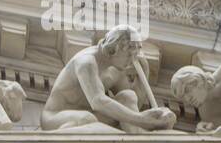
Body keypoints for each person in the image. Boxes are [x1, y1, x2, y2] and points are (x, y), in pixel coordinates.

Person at [41, 26, 176, 132]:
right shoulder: (86, 62)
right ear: (116, 48)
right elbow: (98, 101)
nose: (132, 61)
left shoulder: (115, 69)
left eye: (135, 56)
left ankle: (140, 142)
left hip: (93, 116)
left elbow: (130, 109)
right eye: (129, 55)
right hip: (56, 117)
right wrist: (143, 120)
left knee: (127, 96)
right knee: (86, 119)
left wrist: (144, 73)